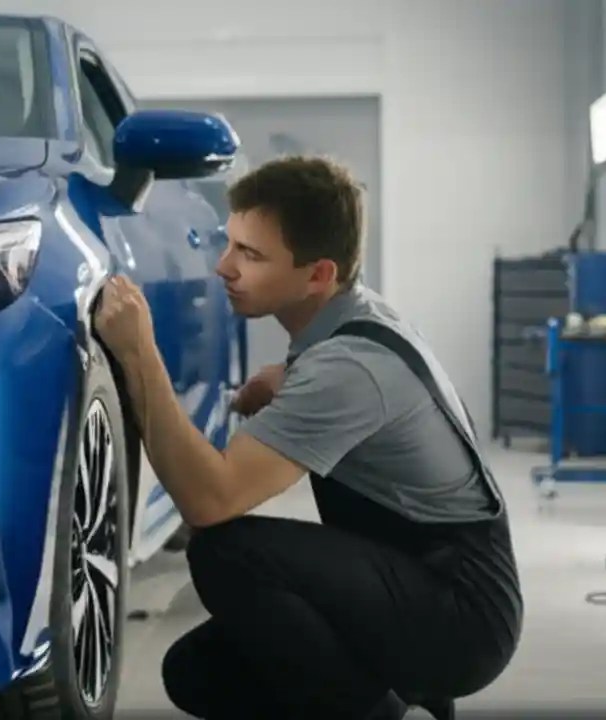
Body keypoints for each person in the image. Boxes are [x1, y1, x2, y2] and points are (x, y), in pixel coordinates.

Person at [92, 156, 522, 720]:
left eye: (251, 255)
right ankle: (400, 695)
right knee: (199, 672)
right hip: (426, 576)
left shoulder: (347, 368)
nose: (224, 267)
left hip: (461, 612)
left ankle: (388, 710)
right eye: (231, 243)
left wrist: (137, 351)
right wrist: (288, 380)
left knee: (229, 552)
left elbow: (208, 500)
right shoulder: (354, 322)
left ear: (318, 274)